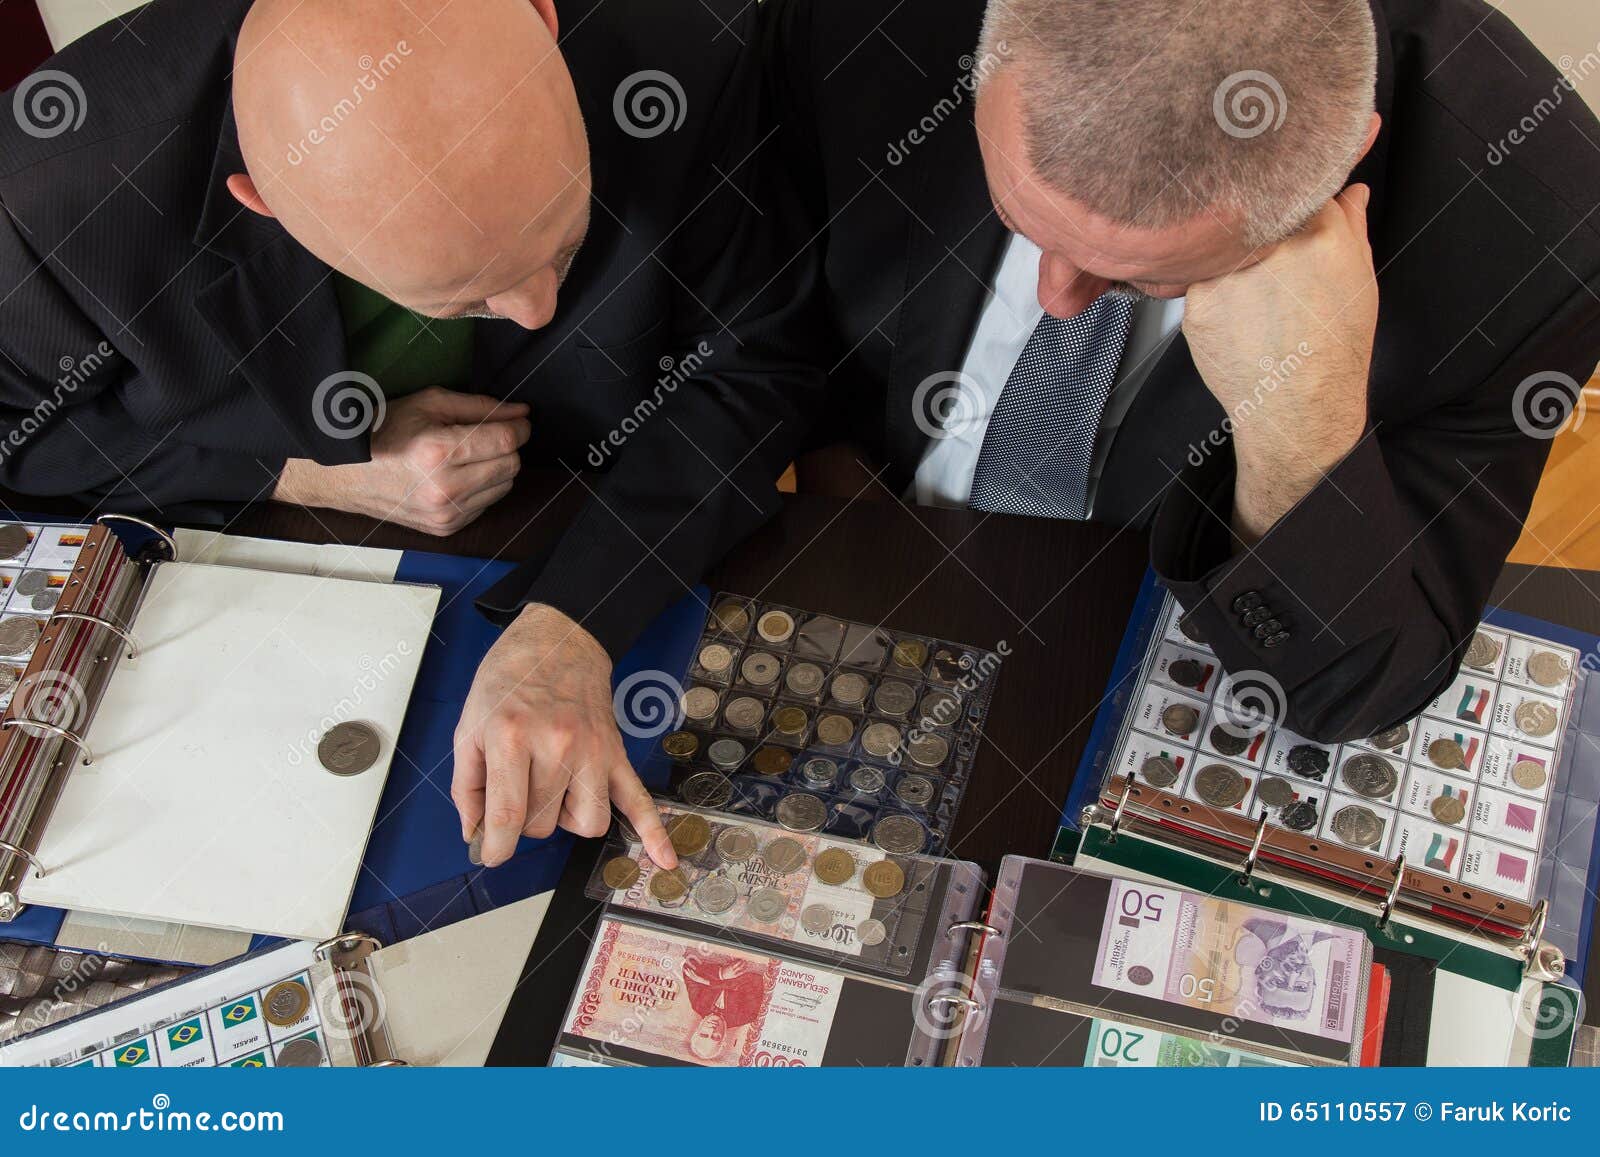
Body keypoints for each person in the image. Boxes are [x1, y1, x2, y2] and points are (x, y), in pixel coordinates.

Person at [0, 0, 824, 868]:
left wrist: (571, 622)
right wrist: (299, 475)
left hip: (599, 522)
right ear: (267, 202)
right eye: (470, 296)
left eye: (564, 240)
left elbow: (761, 363)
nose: (539, 308)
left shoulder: (688, 42)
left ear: (543, 21)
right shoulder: (52, 204)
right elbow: (17, 446)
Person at [762, 0, 1600, 741]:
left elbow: (1353, 687)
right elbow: (765, 298)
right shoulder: (862, 20)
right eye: (1021, 219)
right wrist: (847, 495)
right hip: (859, 544)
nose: (1057, 297)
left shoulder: (1537, 234)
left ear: (1339, 165)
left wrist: (1299, 421)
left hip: (1172, 660)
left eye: (1135, 276)